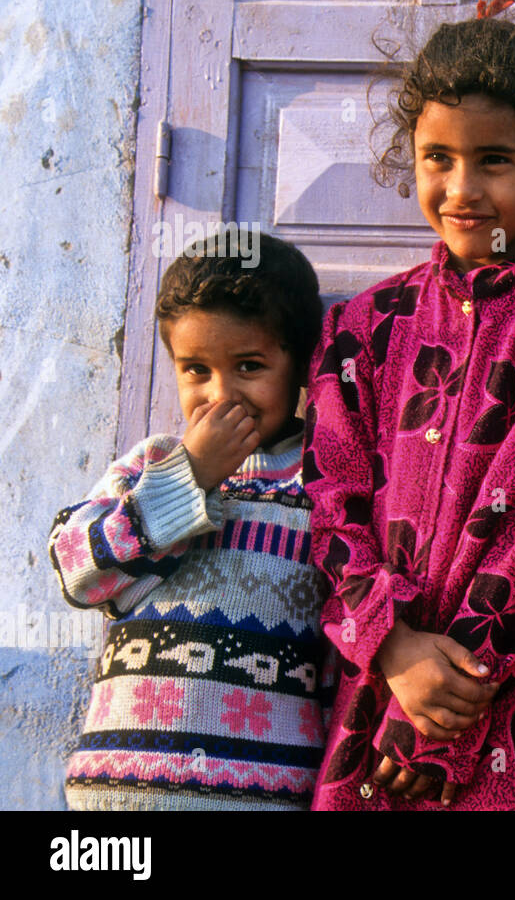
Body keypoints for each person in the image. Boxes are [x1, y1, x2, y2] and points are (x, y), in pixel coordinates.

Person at [303, 14, 515, 810]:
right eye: (437, 159)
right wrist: (394, 649)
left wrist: (440, 716)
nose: (462, 189)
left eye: (495, 161)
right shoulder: (366, 327)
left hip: (510, 705)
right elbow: (330, 503)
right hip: (378, 691)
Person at [49, 229, 330, 809]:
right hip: (121, 791)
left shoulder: (324, 487)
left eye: (249, 365)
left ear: (301, 366)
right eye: (195, 369)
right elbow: (77, 570)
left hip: (260, 794)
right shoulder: (149, 465)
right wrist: (188, 478)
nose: (221, 393)